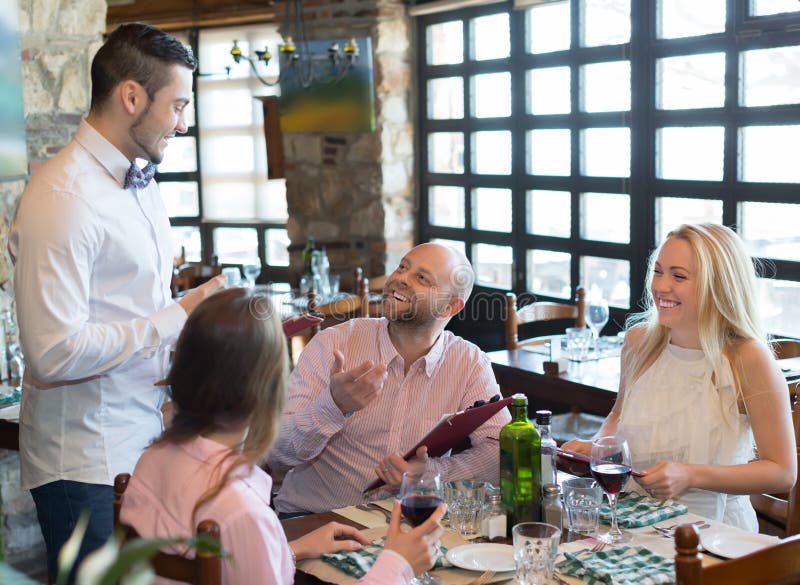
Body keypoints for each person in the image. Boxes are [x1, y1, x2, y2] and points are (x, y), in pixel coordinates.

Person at [8, 23, 224, 580]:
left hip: (143, 441)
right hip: (84, 462)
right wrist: (175, 317)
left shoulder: (142, 179)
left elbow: (134, 305)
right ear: (132, 96)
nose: (185, 122)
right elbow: (52, 353)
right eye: (178, 105)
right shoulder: (61, 197)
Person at [120, 288, 445, 585]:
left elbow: (226, 572)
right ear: (269, 389)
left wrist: (285, 550)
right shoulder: (240, 511)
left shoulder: (154, 459)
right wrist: (397, 564)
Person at [563, 223, 797, 531]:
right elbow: (619, 416)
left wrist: (691, 476)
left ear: (719, 285)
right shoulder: (638, 342)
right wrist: (597, 448)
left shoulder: (746, 358)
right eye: (658, 271)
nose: (660, 286)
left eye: (679, 276)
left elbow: (782, 472)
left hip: (715, 534)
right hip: (635, 520)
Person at [268, 242, 511, 514]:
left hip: (409, 521)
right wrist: (333, 406)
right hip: (315, 517)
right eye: (402, 267)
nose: (400, 279)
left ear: (449, 308)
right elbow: (278, 455)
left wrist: (431, 473)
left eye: (421, 278)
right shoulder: (334, 343)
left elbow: (501, 453)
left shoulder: (469, 362)